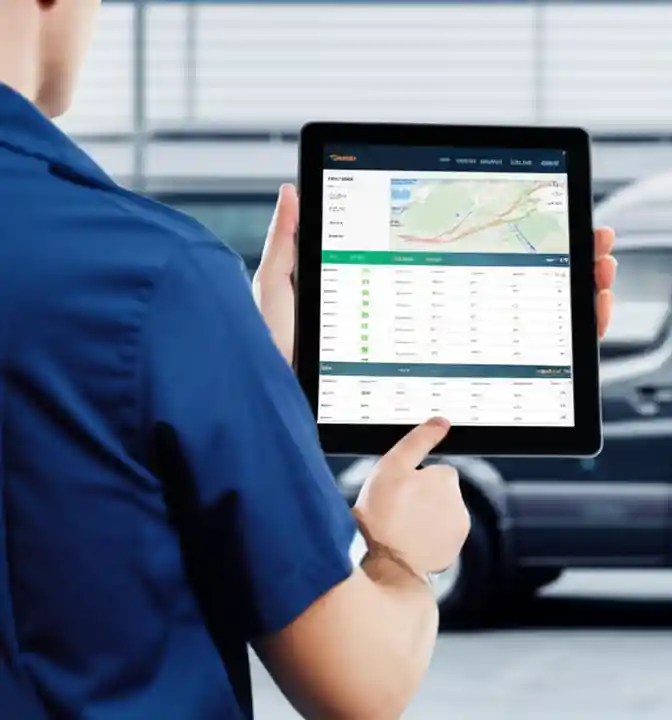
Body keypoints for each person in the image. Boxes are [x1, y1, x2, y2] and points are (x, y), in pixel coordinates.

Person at [0, 0, 619, 717]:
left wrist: (250, 372)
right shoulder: (150, 275)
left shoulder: (152, 286)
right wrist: (401, 557)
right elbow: (362, 683)